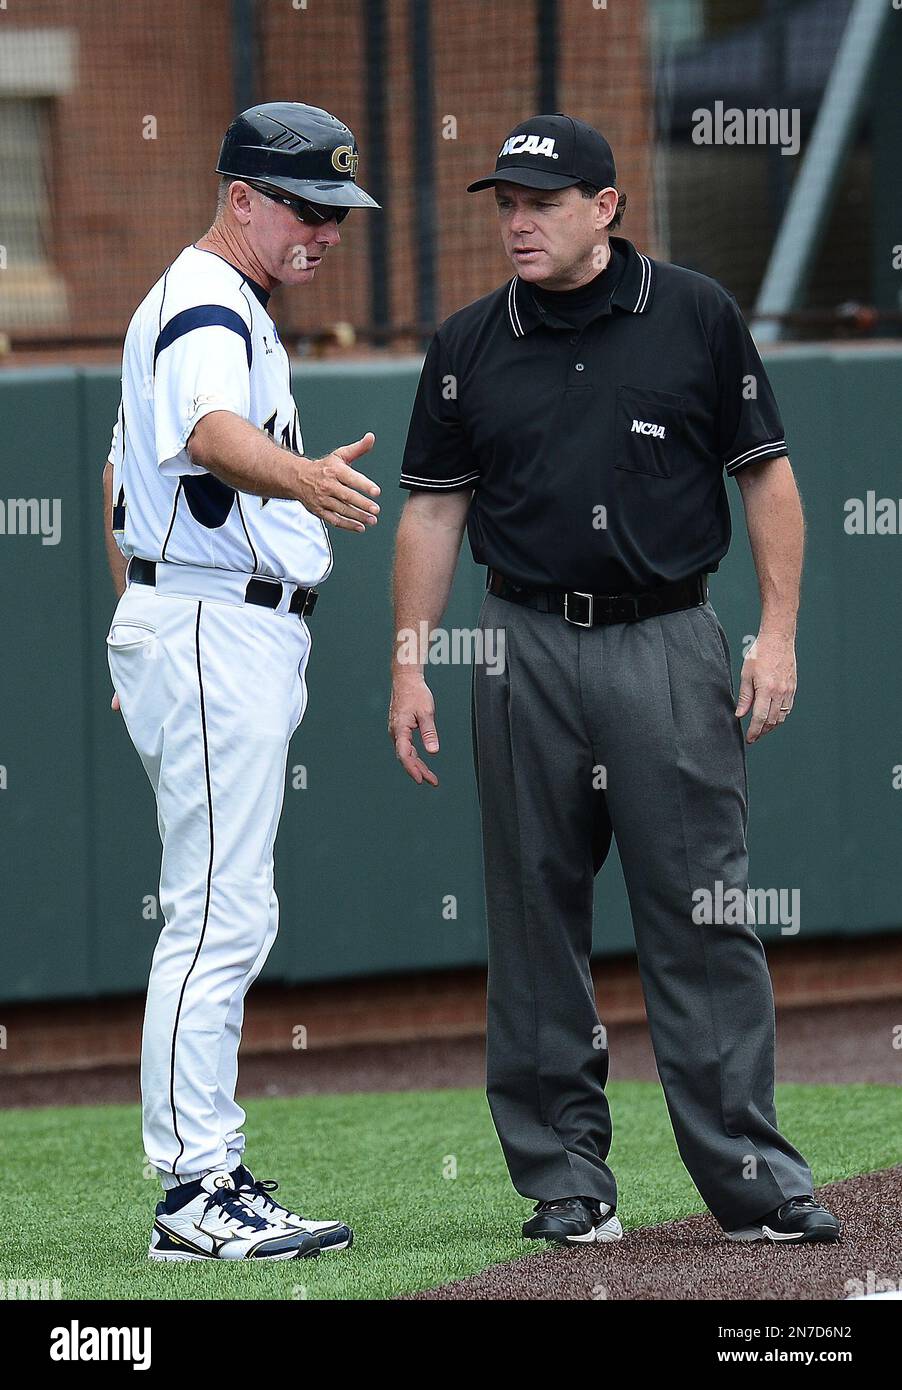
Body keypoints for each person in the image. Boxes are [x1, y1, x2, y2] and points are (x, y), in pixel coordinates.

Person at [389, 114, 840, 1246]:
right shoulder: (465, 340)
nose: (517, 223)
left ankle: (750, 1176)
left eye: (540, 202)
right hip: (518, 644)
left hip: (665, 642)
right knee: (531, 917)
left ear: (605, 207)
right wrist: (410, 659)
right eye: (503, 204)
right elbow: (433, 510)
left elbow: (768, 485)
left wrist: (775, 634)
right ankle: (565, 1181)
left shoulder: (692, 314)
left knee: (703, 912)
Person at [103, 102, 381, 1262]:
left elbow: (121, 479)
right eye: (307, 208)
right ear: (243, 199)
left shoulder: (217, 304)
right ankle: (192, 1191)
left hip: (204, 621)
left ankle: (206, 1173)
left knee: (225, 904)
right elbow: (212, 435)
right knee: (218, 909)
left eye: (338, 212)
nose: (325, 230)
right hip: (215, 622)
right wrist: (305, 481)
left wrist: (140, 615)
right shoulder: (208, 299)